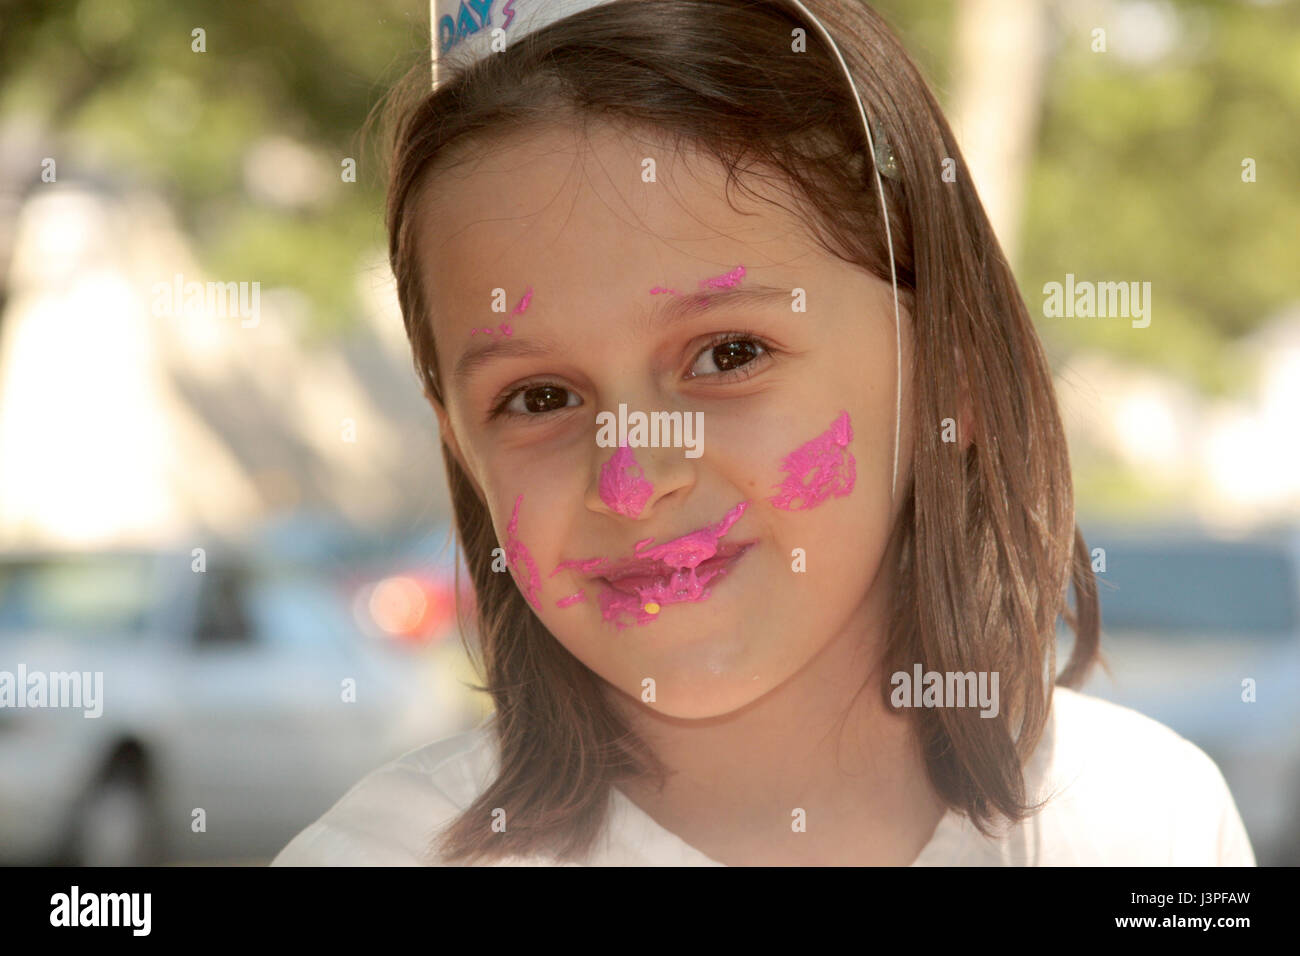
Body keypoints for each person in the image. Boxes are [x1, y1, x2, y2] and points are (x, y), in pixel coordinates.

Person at [273, 0, 1254, 866]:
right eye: (538, 398)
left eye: (728, 353)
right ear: (460, 446)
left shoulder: (1147, 823)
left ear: (946, 358)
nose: (630, 479)